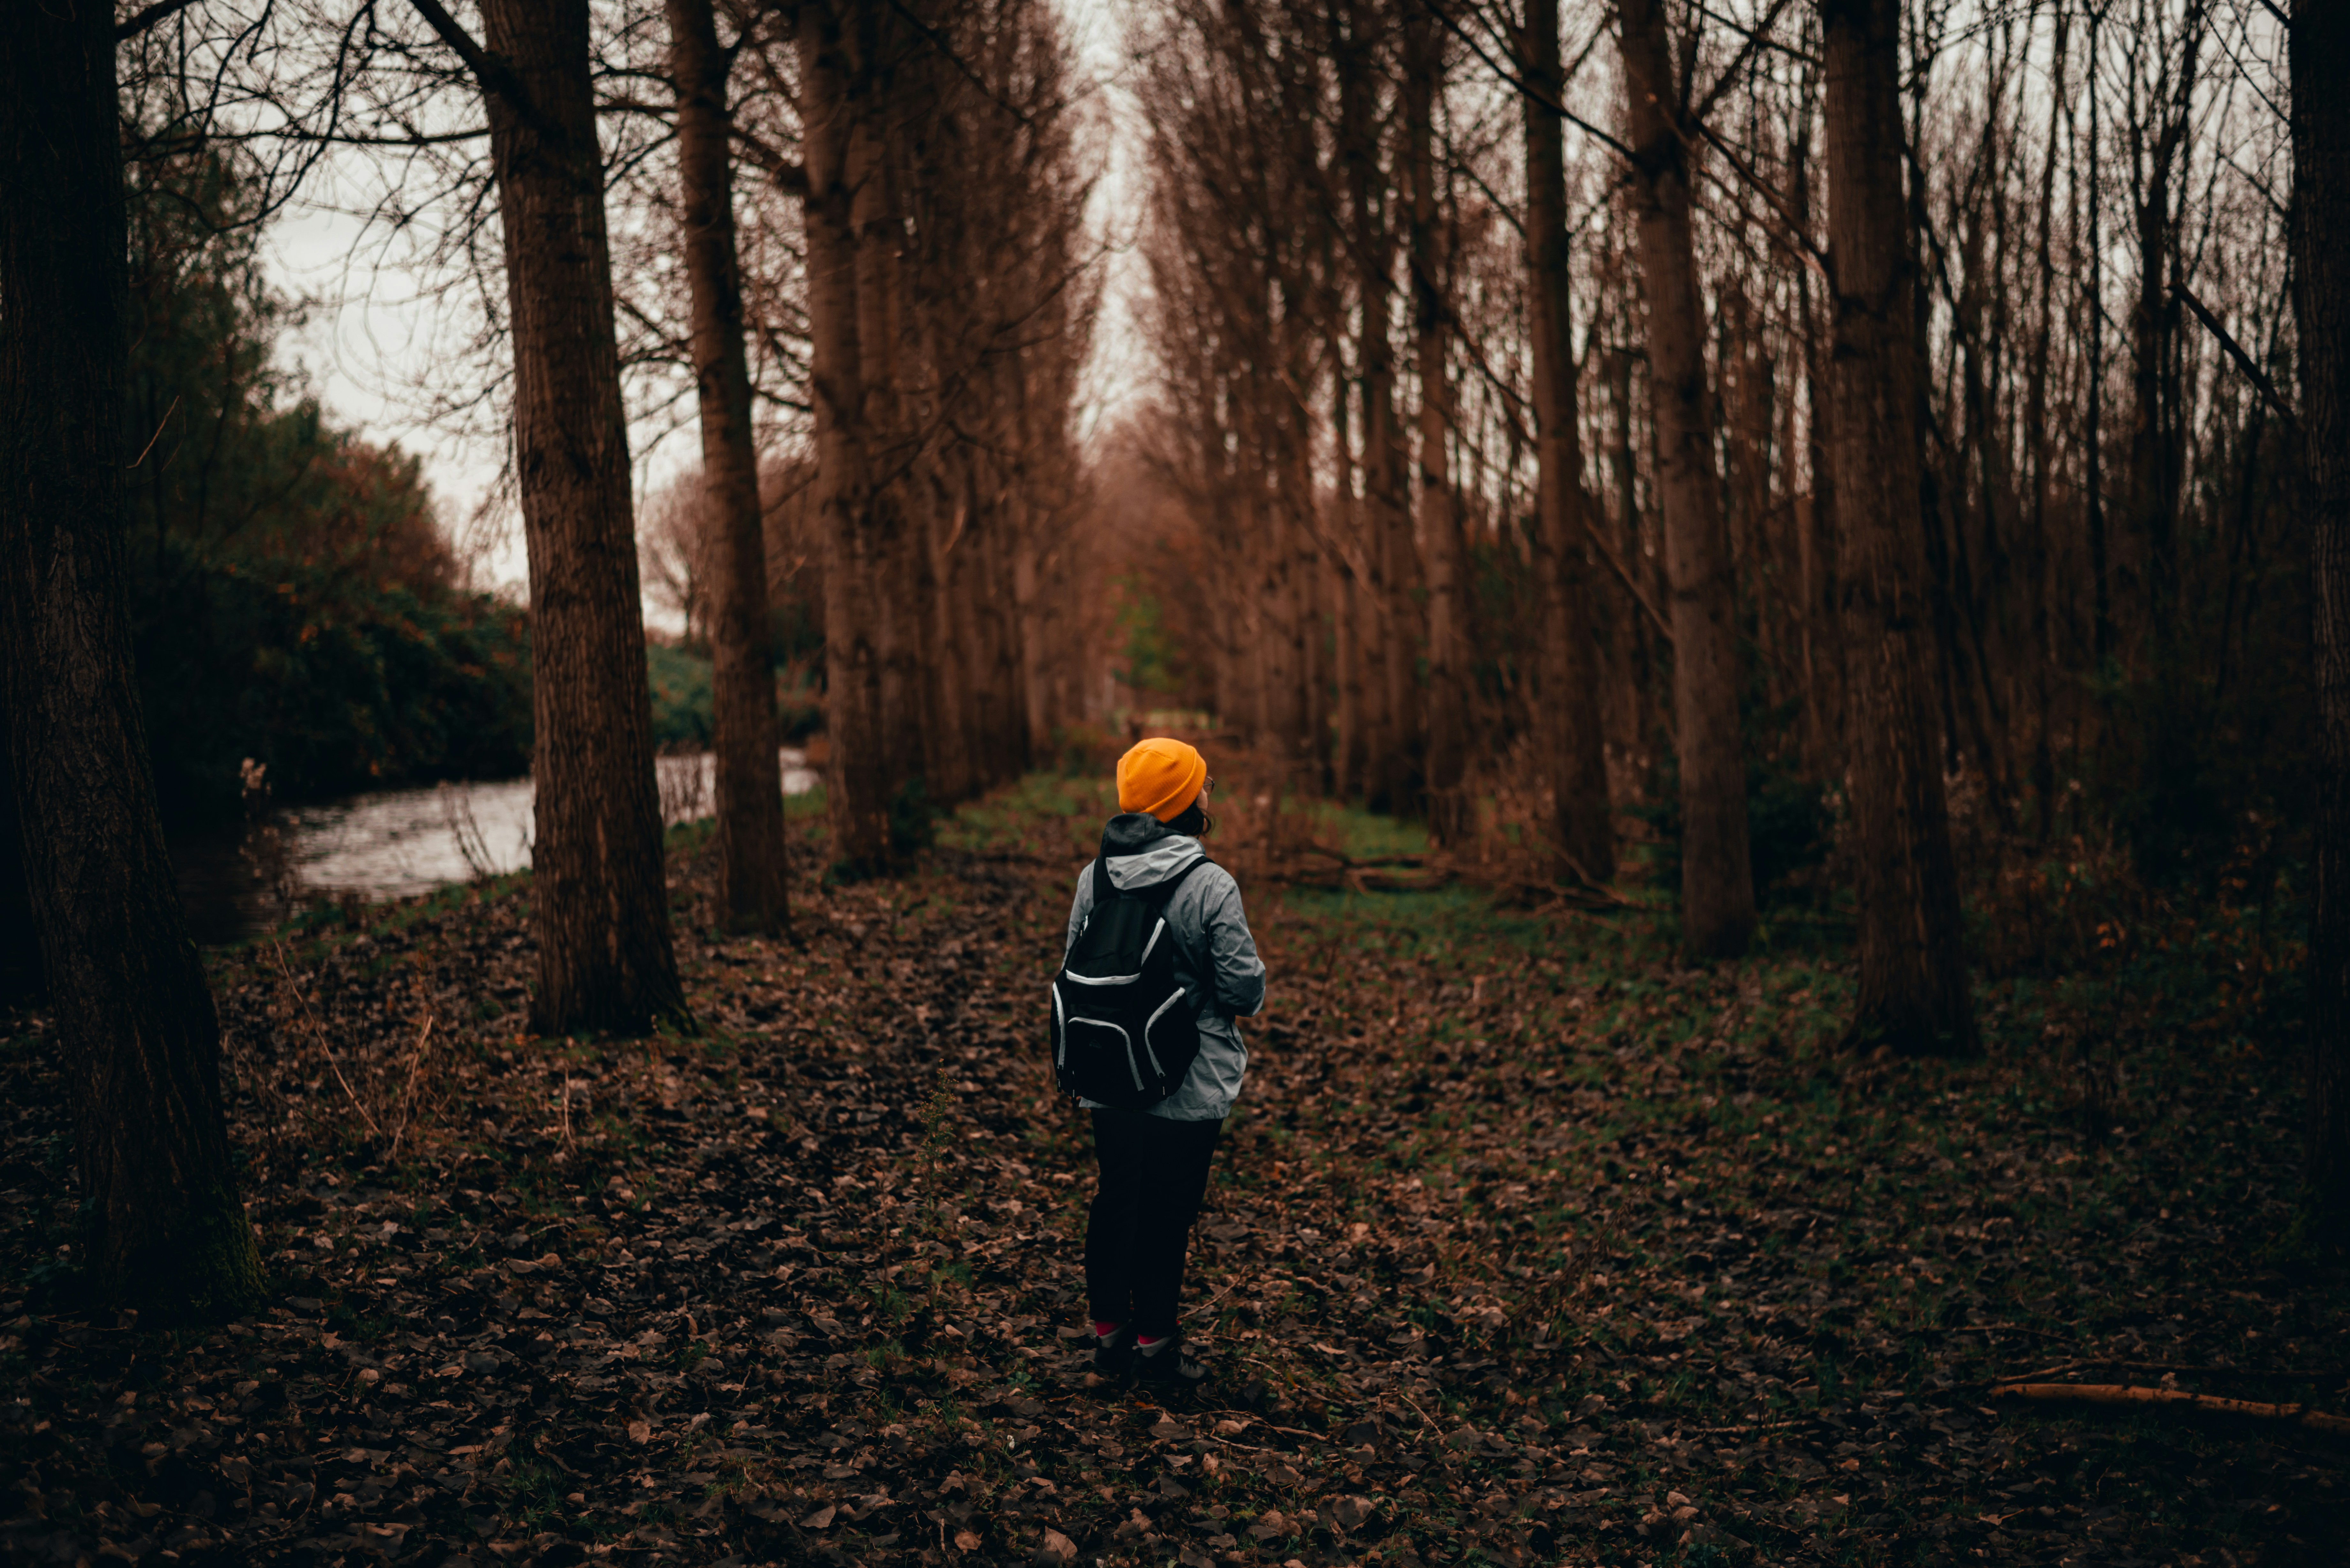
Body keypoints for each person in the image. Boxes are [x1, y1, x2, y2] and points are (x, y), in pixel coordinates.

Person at [1066, 737, 1265, 1387]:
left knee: (1116, 1200)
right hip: (1187, 1083)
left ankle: (1108, 1343)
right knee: (1166, 1215)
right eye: (1203, 782)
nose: (1211, 790)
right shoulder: (1209, 884)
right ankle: (1157, 1350)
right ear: (1184, 800)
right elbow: (1243, 992)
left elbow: (1075, 968)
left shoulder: (1092, 878)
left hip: (1108, 1076)